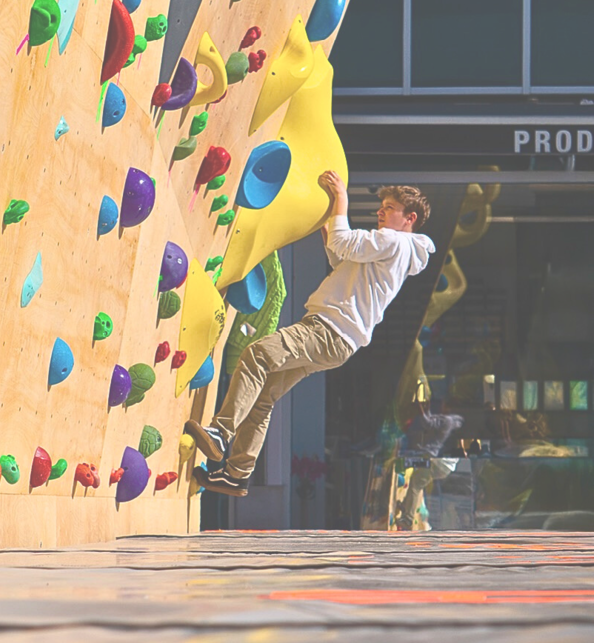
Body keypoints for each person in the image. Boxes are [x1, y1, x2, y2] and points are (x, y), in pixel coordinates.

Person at [186, 172, 436, 496]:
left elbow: (343, 243)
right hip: (340, 341)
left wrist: (341, 199)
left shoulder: (394, 241)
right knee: (264, 398)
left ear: (409, 218)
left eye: (389, 208)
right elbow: (341, 258)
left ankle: (220, 433)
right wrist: (327, 228)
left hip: (327, 329)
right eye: (382, 207)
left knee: (257, 355)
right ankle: (236, 475)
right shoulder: (397, 251)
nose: (380, 212)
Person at [396, 401, 464, 531]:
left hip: (437, 462)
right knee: (416, 478)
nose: (442, 405)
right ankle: (406, 505)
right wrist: (425, 410)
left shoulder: (448, 420)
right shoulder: (456, 421)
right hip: (444, 466)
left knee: (416, 483)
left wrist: (420, 409)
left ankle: (407, 519)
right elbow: (433, 421)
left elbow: (428, 424)